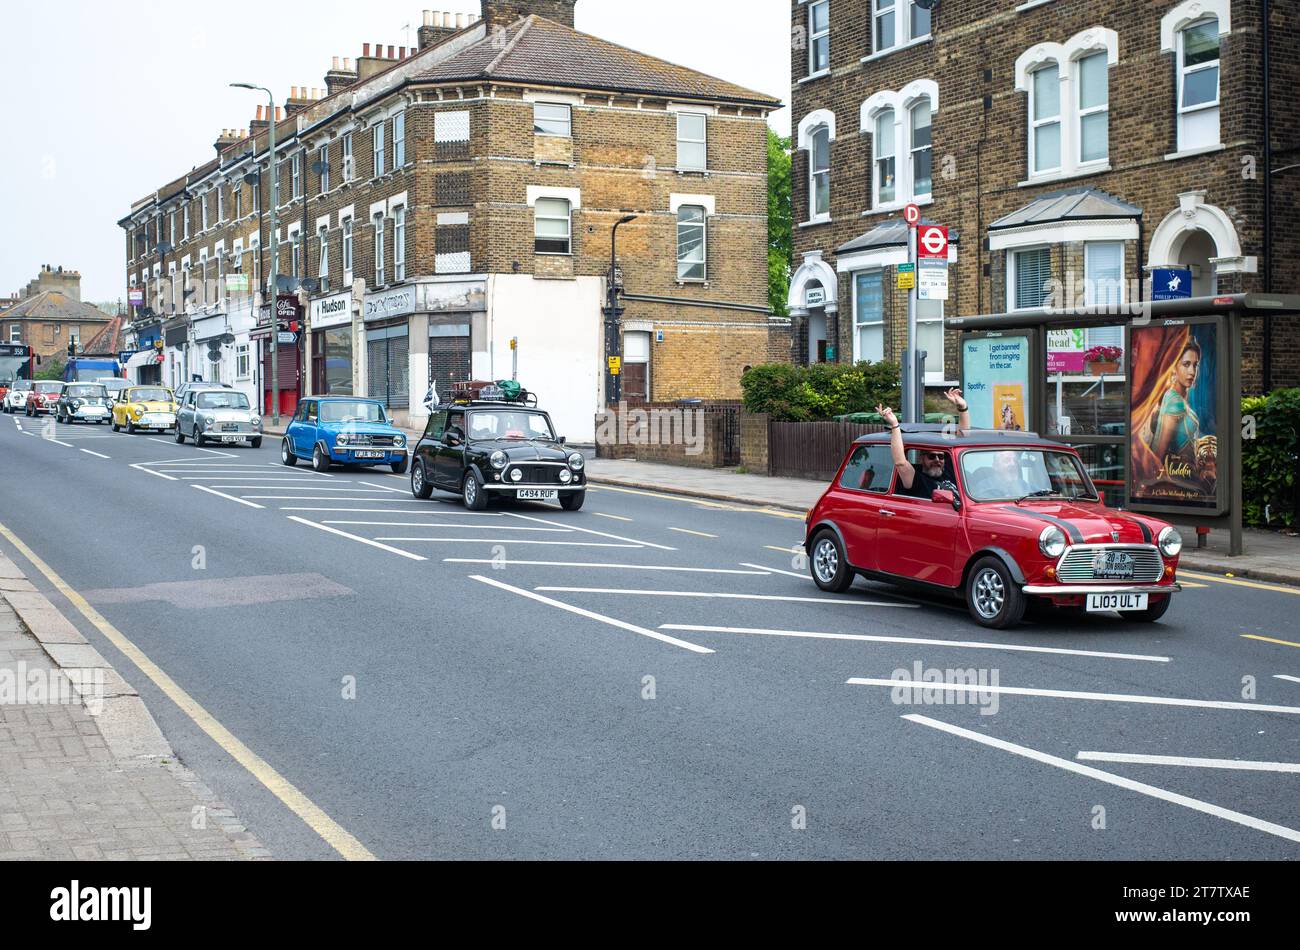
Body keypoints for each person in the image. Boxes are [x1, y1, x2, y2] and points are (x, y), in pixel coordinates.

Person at [877, 388, 971, 498]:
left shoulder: (948, 471)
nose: (937, 460)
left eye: (941, 456)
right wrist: (894, 424)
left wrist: (962, 407)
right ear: (922, 458)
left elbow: (963, 438)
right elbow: (900, 463)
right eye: (932, 456)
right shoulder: (918, 480)